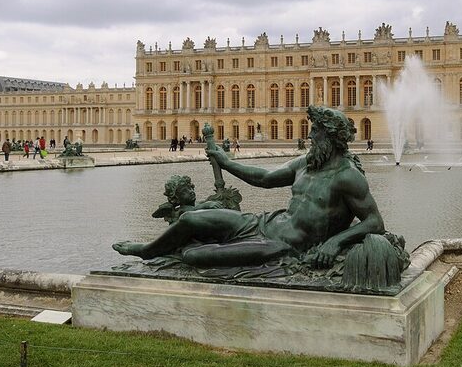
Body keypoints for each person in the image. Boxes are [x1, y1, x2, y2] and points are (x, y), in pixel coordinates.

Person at [114, 106, 384, 269]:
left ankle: (170, 254)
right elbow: (263, 178)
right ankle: (147, 250)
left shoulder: (347, 176)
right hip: (261, 223)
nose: (310, 136)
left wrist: (335, 243)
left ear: (330, 137)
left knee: (195, 256)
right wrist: (225, 161)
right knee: (189, 219)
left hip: (281, 246)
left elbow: (374, 222)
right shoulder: (306, 164)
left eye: (316, 132)